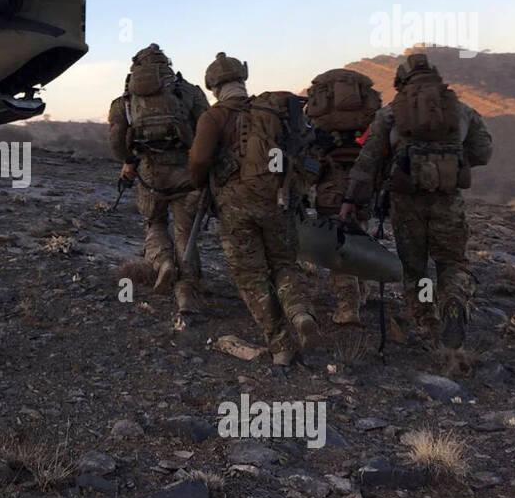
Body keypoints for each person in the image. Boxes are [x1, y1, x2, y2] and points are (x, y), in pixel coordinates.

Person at [339, 52, 492, 348]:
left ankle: (427, 323)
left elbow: (367, 161)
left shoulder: (390, 113)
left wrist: (351, 200)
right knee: (451, 262)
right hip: (448, 200)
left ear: (401, 80)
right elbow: (483, 152)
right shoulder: (460, 110)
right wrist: (448, 165)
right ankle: (454, 301)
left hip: (406, 201)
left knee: (415, 267)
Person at [188, 52, 320, 365]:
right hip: (279, 201)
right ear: (242, 80)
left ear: (213, 86)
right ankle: (300, 312)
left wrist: (199, 184)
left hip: (235, 207)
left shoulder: (213, 116)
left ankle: (280, 344)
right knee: (284, 264)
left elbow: (198, 161)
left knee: (251, 275)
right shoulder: (272, 110)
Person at [108, 44, 209, 328]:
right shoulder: (189, 91)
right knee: (184, 232)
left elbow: (117, 141)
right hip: (187, 174)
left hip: (150, 176)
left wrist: (128, 161)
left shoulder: (125, 99)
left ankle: (163, 262)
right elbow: (208, 130)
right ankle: (187, 291)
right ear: (167, 64)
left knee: (154, 225)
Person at [303, 68, 383, 324]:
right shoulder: (365, 128)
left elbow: (310, 167)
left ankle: (348, 306)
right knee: (360, 237)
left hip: (331, 193)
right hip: (364, 190)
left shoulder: (321, 132)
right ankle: (362, 293)